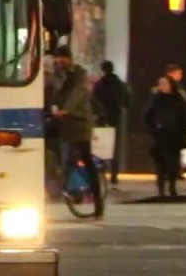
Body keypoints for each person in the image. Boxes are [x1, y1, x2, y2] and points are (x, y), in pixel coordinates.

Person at [51, 45, 103, 218]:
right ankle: (64, 185)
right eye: (57, 59)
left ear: (70, 59)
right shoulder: (58, 75)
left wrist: (67, 109)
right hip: (65, 122)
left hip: (80, 122)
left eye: (62, 58)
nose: (59, 62)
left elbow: (77, 93)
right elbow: (54, 92)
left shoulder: (79, 74)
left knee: (85, 159)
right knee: (60, 154)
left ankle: (97, 201)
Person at [145, 74, 186, 198]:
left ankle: (172, 186)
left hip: (174, 136)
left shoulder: (178, 99)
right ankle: (161, 189)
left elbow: (184, 117)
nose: (162, 86)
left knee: (173, 163)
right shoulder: (155, 99)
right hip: (160, 136)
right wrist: (154, 129)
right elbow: (148, 116)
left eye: (164, 83)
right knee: (160, 164)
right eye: (160, 84)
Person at [93, 60, 130, 187]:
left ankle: (101, 172)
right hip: (116, 118)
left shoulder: (99, 85)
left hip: (102, 119)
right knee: (115, 148)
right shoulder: (121, 85)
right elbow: (127, 101)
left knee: (101, 147)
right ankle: (114, 174)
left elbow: (94, 100)